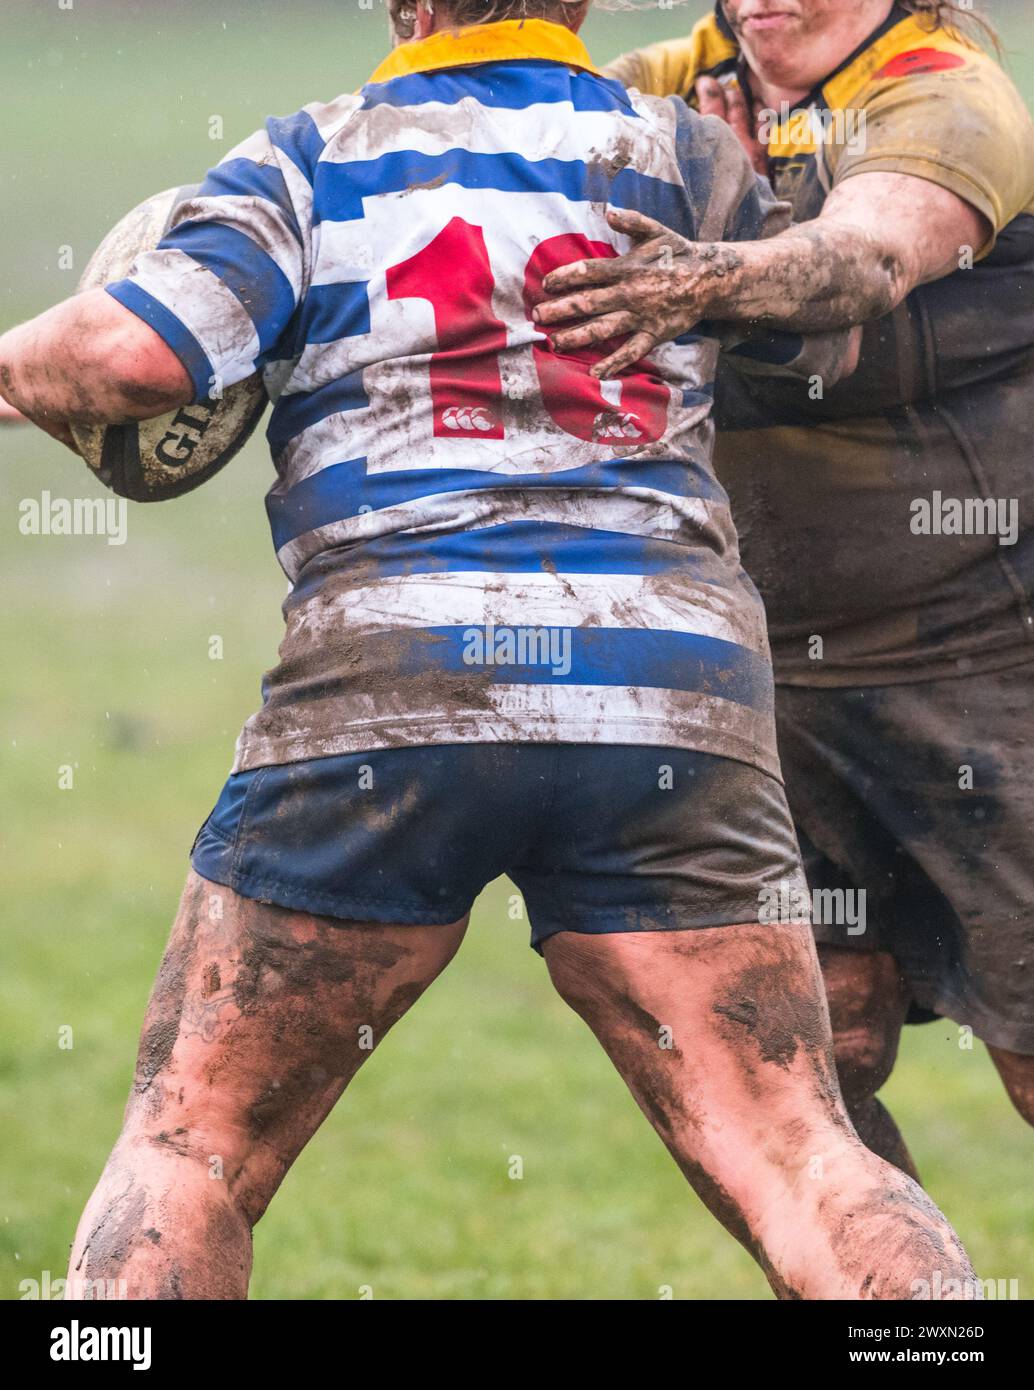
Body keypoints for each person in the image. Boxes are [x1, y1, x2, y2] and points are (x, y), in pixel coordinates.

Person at [0, 0, 975, 1299]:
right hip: (668, 691)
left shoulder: (307, 160)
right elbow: (820, 335)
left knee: (196, 1141)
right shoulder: (694, 156)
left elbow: (133, 353)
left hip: (394, 689)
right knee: (797, 1151)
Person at [537, 0, 1034, 1181]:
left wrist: (707, 267)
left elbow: (863, 256)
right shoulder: (668, 84)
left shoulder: (943, 93)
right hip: (757, 672)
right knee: (793, 1064)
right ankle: (910, 1324)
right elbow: (483, 184)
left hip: (982, 662)